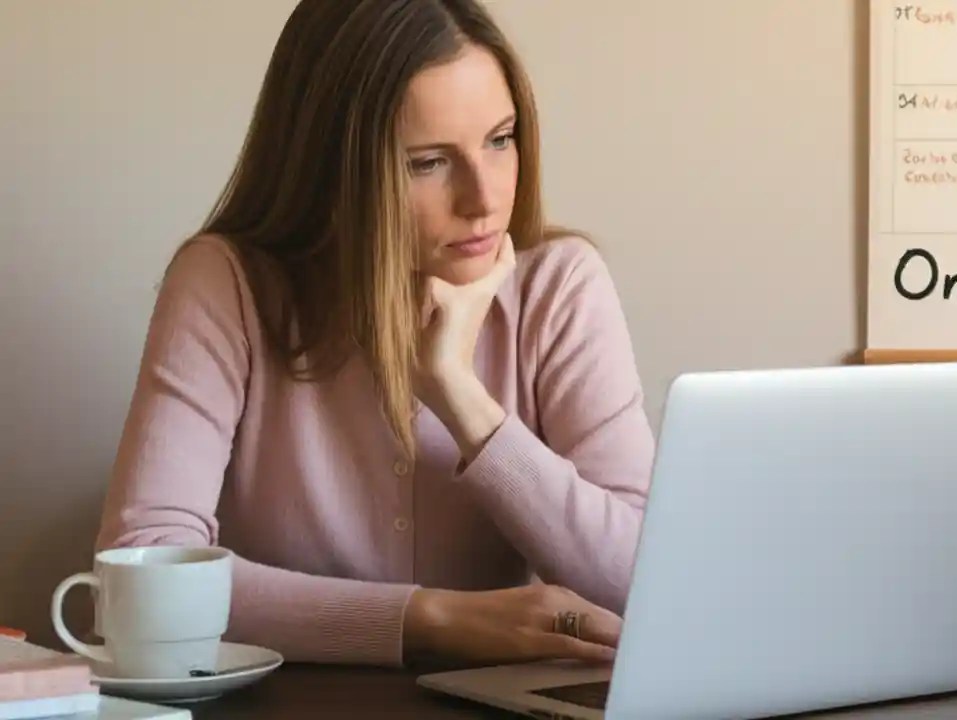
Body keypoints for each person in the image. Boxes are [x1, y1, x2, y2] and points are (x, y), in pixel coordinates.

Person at [94, 0, 655, 670]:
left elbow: (646, 584)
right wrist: (434, 619)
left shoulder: (560, 285)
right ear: (332, 169)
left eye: (500, 139)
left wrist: (461, 398)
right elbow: (142, 569)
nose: (484, 197)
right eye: (428, 162)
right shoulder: (225, 284)